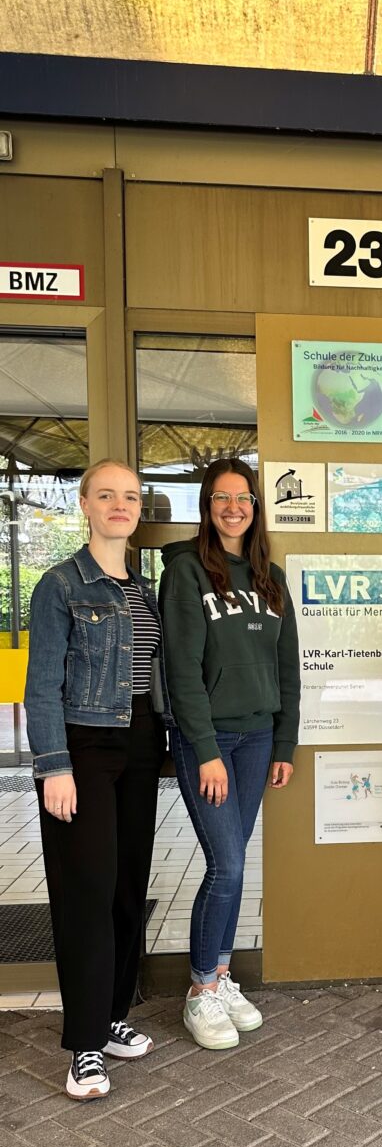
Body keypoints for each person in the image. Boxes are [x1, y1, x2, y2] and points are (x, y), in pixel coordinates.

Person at [24, 460, 170, 1100]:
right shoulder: (60, 584)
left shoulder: (143, 588)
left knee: (126, 888)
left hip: (140, 745)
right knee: (87, 892)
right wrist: (54, 765)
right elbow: (41, 686)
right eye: (106, 495)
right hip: (84, 746)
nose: (120, 505)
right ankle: (83, 1044)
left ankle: (111, 1018)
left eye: (130, 497)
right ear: (84, 505)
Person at [159, 458, 299, 1050]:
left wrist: (285, 742)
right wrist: (206, 749)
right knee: (228, 866)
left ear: (256, 505)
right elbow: (183, 670)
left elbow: (287, 667)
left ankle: (219, 974)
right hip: (209, 743)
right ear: (206, 505)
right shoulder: (188, 572)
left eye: (243, 497)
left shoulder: (271, 577)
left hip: (259, 738)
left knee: (234, 861)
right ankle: (199, 990)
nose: (233, 507)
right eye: (221, 497)